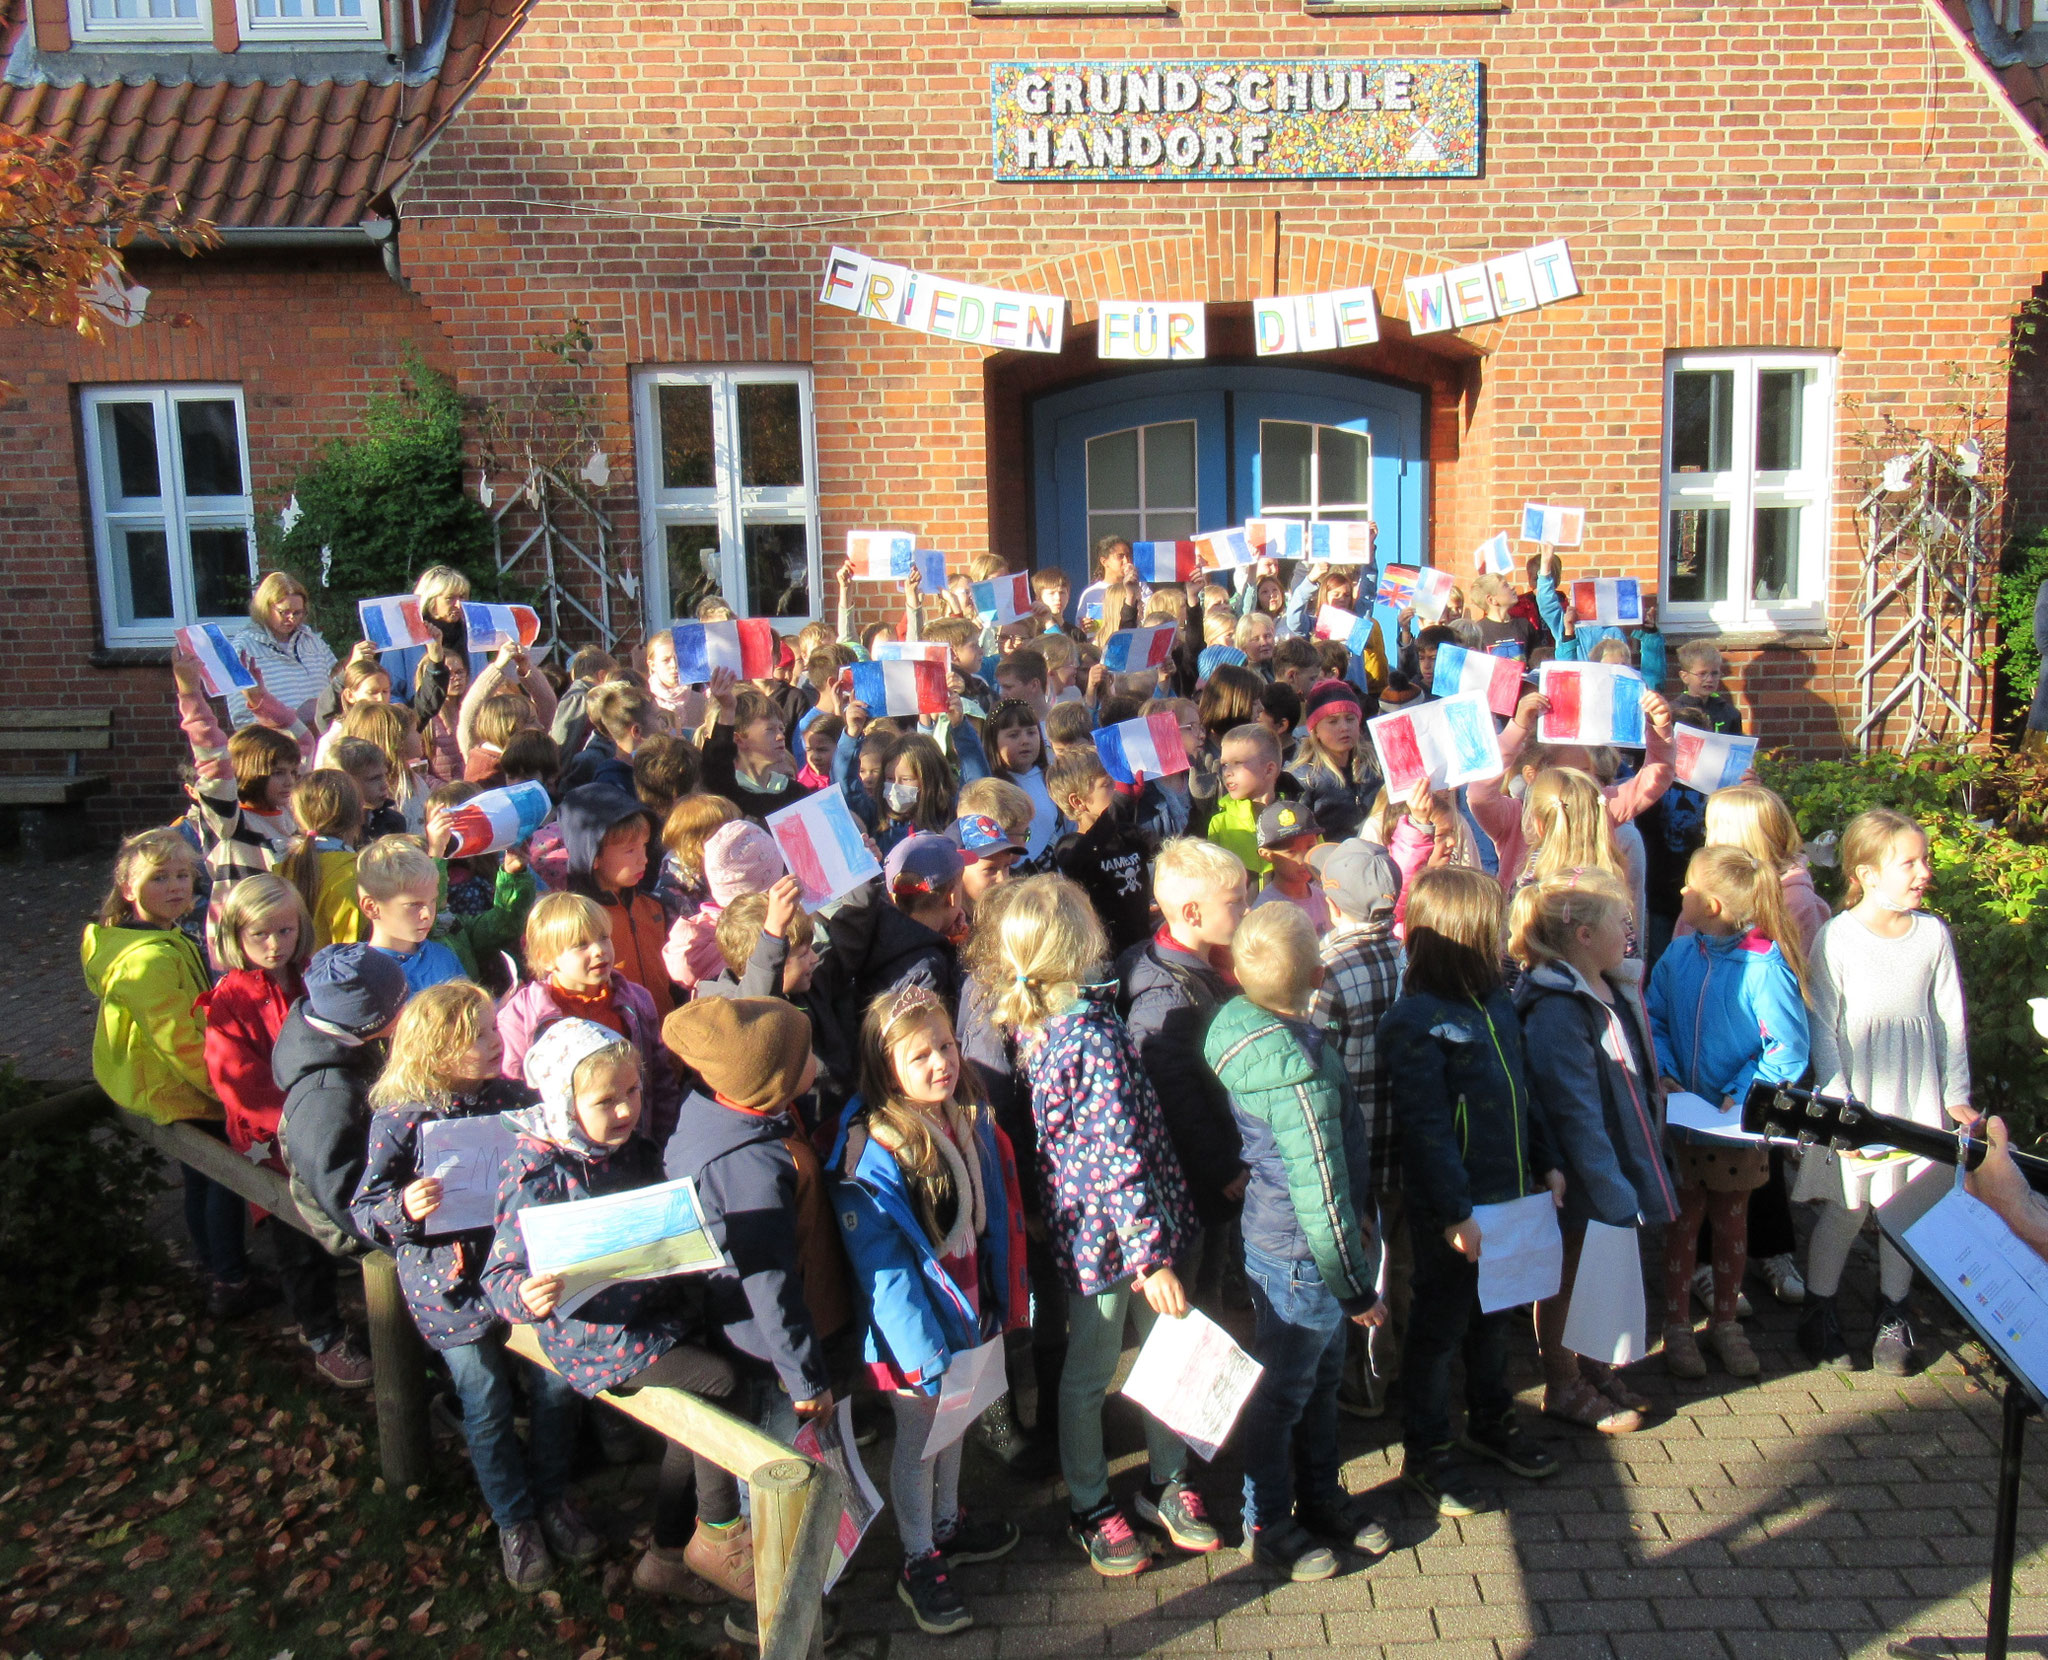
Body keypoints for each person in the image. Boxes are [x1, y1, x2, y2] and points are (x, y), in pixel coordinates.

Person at [484, 1019, 755, 1613]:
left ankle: (663, 1556)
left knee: (706, 1398)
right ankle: (718, 1531)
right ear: (564, 1102)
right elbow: (498, 1275)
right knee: (720, 1383)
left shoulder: (630, 1147)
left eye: (633, 1092)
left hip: (653, 1314)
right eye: (606, 1100)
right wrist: (525, 1295)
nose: (626, 1109)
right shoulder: (538, 1172)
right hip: (596, 1337)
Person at [991, 875, 1210, 1575]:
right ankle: (1092, 1502)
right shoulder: (1089, 1037)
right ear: (1080, 944)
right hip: (1119, 1243)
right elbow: (1115, 1159)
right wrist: (1152, 1258)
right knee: (1095, 1370)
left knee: (1149, 1356)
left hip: (1112, 1230)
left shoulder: (1054, 1018)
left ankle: (1163, 1483)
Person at [349, 983, 598, 1589]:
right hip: (450, 1285)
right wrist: (404, 1207)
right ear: (438, 1050)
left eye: (494, 1031)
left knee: (557, 1385)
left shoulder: (512, 1099)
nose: (497, 1042)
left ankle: (551, 1496)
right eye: (481, 1036)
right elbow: (366, 1206)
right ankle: (515, 1523)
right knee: (483, 1397)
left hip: (517, 1269)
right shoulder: (401, 1120)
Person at [829, 985, 1028, 1635]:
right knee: (918, 1442)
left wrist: (1001, 1295)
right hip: (910, 1335)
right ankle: (918, 1556)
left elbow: (991, 1214)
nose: (942, 1062)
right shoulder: (875, 1155)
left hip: (967, 1306)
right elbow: (884, 1274)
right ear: (889, 1070)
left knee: (958, 1420)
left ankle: (947, 1524)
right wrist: (921, 1356)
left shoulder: (959, 1116)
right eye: (922, 1057)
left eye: (946, 1046)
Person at [1204, 902, 1392, 1581]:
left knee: (1313, 1385)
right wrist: (1355, 1287)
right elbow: (1320, 1189)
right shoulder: (1299, 1079)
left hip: (1280, 1241)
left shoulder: (1241, 1023)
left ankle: (1320, 1497)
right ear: (1317, 974)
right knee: (1287, 1391)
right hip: (1306, 1257)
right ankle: (1270, 1520)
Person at [1379, 865, 1564, 1517]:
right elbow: (1427, 1129)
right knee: (1437, 1330)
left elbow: (1523, 1088)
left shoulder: (1494, 1000)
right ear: (1460, 936)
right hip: (1457, 1211)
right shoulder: (1416, 1021)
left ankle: (1491, 1421)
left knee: (1495, 1320)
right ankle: (1427, 1452)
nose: (1502, 938)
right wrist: (1455, 1214)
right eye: (1491, 928)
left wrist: (1547, 1162)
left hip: (1511, 1195)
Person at [1793, 809, 1971, 1375]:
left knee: (1905, 1206)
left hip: (1916, 1092)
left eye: (1925, 861)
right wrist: (1841, 1101)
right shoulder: (1837, 938)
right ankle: (1820, 1309)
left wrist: (1956, 1094)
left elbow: (1950, 1019)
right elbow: (1823, 1025)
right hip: (1859, 1096)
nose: (1924, 872)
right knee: (1848, 1207)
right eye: (1909, 863)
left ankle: (1893, 1312)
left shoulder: (1932, 936)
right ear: (1866, 874)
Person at [1511, 869, 1677, 1435]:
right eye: (1619, 923)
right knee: (1566, 1275)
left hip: (1615, 1159)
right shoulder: (1558, 1008)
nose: (1629, 934)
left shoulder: (1612, 984)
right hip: (1584, 1168)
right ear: (1583, 935)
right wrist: (1609, 1183)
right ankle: (1562, 1382)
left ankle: (1593, 1365)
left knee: (1598, 1271)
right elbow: (1573, 1108)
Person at [1647, 846, 1810, 1380]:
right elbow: (1655, 1018)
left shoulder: (1766, 967)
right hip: (1684, 1121)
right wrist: (1667, 1071)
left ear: (1712, 904)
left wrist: (1743, 1092)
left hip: (1736, 1125)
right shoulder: (1678, 956)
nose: (1680, 894)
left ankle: (1724, 1323)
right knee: (1681, 1223)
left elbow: (1785, 1048)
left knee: (1732, 1221)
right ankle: (1675, 1326)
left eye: (1688, 887)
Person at [661, 998, 853, 1440]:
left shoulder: (726, 1116)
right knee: (777, 1459)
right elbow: (770, 1284)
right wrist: (805, 1378)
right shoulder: (750, 1168)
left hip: (776, 1345)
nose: (815, 1059)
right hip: (772, 1359)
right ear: (773, 1081)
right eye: (805, 1055)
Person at [85, 830, 250, 1313]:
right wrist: (225, 1094)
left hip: (167, 1082)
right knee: (223, 1178)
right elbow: (179, 1041)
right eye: (160, 878)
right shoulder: (151, 958)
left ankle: (211, 1260)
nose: (177, 887)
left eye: (183, 875)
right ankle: (230, 1279)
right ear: (129, 887)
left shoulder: (156, 935)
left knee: (200, 1177)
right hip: (177, 1086)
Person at [1119, 838, 1250, 1305]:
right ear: (1192, 913)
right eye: (1236, 902)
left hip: (1215, 1169)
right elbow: (1177, 1100)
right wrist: (1223, 1167)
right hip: (1199, 1180)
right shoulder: (1165, 998)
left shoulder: (1201, 966)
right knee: (1198, 1288)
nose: (1247, 909)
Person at [1306, 840, 1408, 1417]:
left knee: (1359, 1262)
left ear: (1332, 901)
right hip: (1403, 1139)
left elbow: (1317, 1057)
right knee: (1399, 1259)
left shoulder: (1329, 971)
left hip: (1353, 1145)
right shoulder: (1405, 956)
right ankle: (1394, 1368)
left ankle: (1361, 1381)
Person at [202, 875, 327, 1332]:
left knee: (331, 1232)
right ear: (236, 934)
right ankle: (322, 1333)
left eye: (285, 931)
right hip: (276, 1144)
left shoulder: (317, 978)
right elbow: (239, 1082)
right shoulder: (230, 1001)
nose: (274, 944)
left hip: (327, 1128)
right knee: (297, 1243)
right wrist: (301, 1122)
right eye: (260, 934)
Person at [498, 892, 683, 1145]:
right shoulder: (523, 1015)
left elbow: (659, 1077)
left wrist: (662, 1141)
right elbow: (514, 1091)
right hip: (560, 1152)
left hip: (633, 1140)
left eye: (603, 938)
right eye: (580, 945)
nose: (598, 951)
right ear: (545, 958)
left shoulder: (636, 1001)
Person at [558, 782, 673, 1019]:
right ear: (593, 856)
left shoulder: (654, 907)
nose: (644, 859)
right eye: (630, 851)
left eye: (644, 846)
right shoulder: (576, 925)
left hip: (667, 1036)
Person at [1047, 747, 1151, 958]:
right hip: (1109, 957)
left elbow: (1164, 848)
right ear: (1078, 802)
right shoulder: (1071, 846)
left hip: (1144, 947)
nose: (1116, 789)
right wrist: (1120, 804)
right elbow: (1084, 855)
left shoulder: (1127, 835)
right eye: (1107, 785)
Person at [356, 835, 467, 995]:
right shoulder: (363, 978)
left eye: (432, 900)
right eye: (414, 905)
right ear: (371, 907)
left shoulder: (443, 957)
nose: (427, 914)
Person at [232, 570, 336, 727]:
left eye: (298, 612)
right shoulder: (244, 648)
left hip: (321, 737)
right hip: (277, 742)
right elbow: (241, 717)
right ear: (264, 608)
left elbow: (337, 687)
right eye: (284, 612)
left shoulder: (314, 643)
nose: (292, 619)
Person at [1201, 722, 1303, 883]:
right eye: (1225, 765)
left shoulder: (1298, 817)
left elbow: (1316, 869)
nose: (1228, 772)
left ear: (1269, 770)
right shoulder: (1221, 823)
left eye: (1238, 763)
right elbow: (1212, 880)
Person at [278, 770, 367, 949]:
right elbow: (351, 952)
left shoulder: (283, 865)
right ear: (359, 813)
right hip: (335, 973)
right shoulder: (354, 875)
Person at [1250, 800, 1329, 933]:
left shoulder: (1325, 898)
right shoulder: (1266, 912)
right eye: (1291, 851)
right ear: (1266, 854)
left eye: (1310, 847)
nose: (1304, 859)